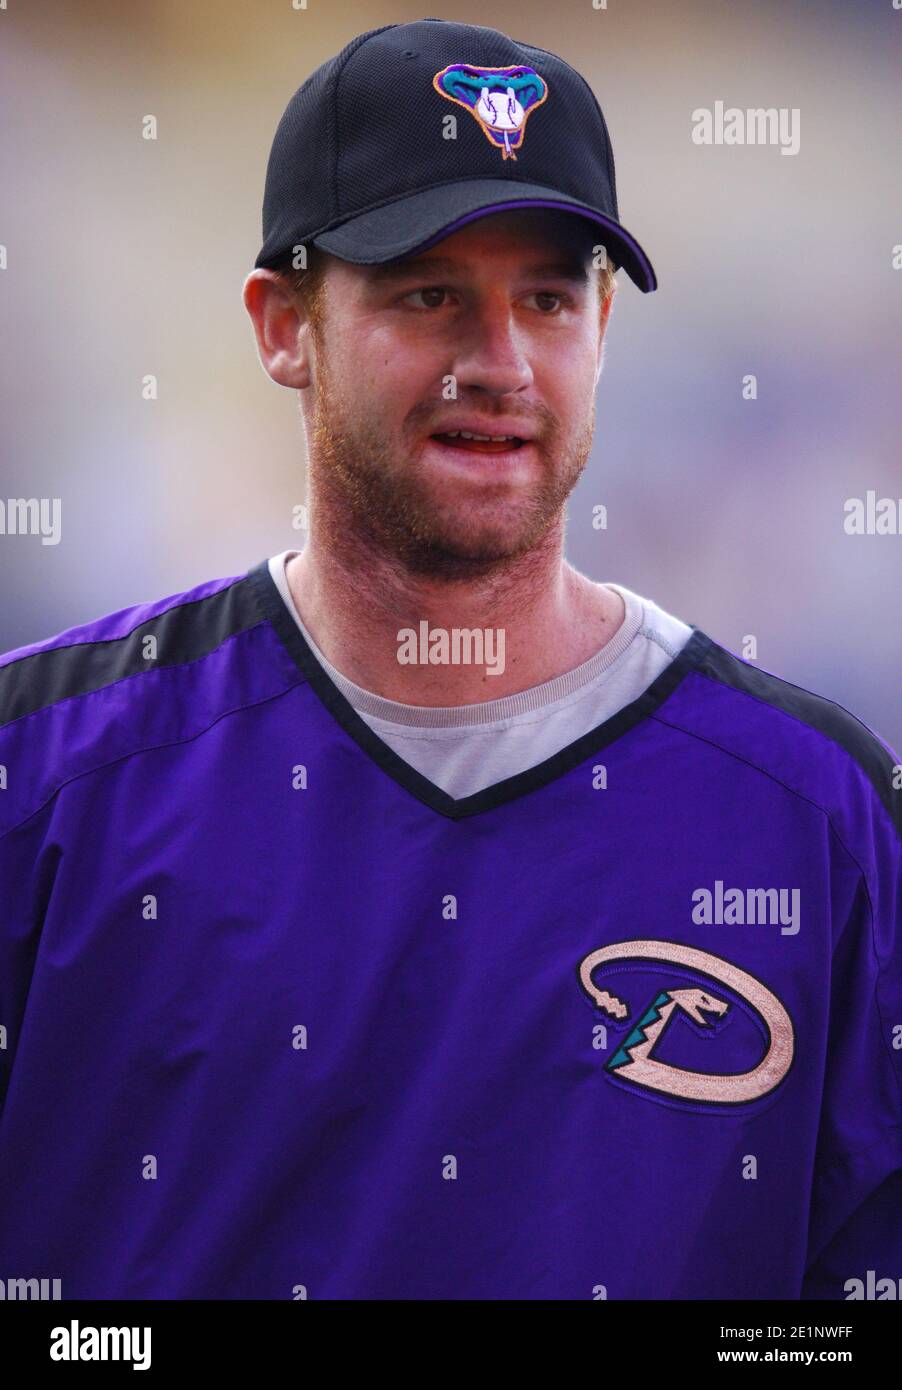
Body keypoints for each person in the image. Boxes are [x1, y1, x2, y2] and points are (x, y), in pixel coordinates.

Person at [0, 18, 899, 1301]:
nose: (499, 364)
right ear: (283, 325)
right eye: (427, 293)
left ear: (601, 328)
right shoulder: (48, 773)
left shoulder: (813, 811)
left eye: (545, 298)